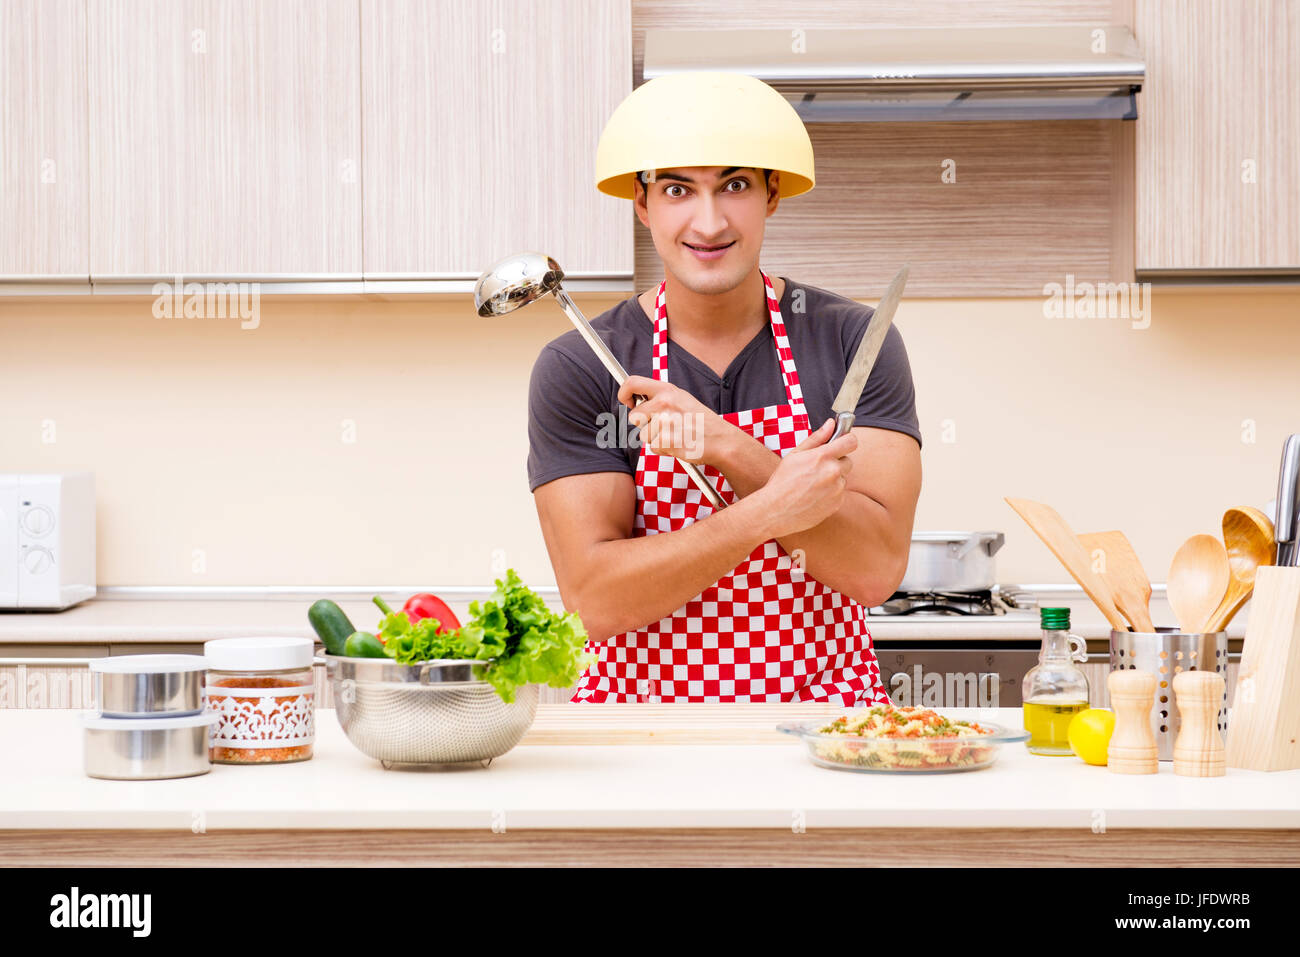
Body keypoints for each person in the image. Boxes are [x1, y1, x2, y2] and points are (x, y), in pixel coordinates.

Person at [526, 72, 922, 704]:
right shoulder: (581, 365)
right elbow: (595, 601)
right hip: (640, 733)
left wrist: (731, 449)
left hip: (826, 727)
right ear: (642, 202)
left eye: (734, 185)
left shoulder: (852, 342)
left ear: (771, 195)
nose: (707, 223)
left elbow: (872, 573)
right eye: (679, 189)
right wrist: (770, 508)